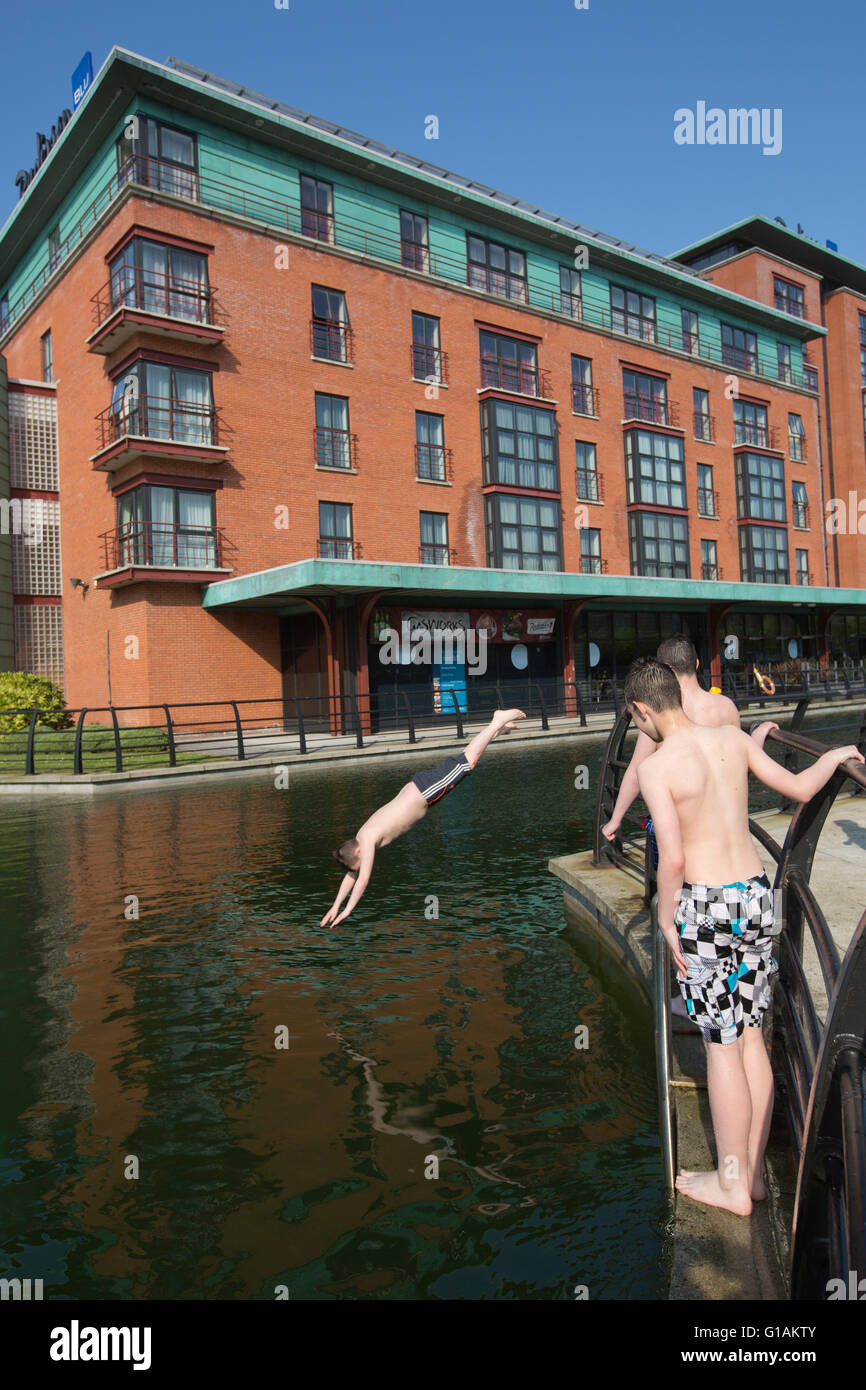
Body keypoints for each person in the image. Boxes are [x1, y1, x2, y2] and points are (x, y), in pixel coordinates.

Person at [625, 657, 863, 1216]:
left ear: (642, 709)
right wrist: (833, 754)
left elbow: (675, 856)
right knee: (752, 1034)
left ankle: (732, 1186)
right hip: (759, 896)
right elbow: (802, 788)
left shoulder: (658, 769)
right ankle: (751, 1177)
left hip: (708, 907)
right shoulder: (731, 737)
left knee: (721, 1045)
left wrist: (665, 915)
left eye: (634, 720)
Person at [321, 708, 526, 929]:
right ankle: (496, 730)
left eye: (360, 863)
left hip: (425, 791)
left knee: (468, 762)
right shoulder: (360, 838)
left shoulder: (367, 840)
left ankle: (496, 721)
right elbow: (352, 875)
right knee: (463, 762)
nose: (361, 867)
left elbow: (362, 880)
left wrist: (348, 910)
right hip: (423, 792)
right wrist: (335, 906)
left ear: (358, 853)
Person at [602, 634, 776, 845]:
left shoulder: (662, 713)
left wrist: (616, 818)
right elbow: (742, 760)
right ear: (696, 664)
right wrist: (757, 735)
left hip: (679, 824)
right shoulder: (725, 706)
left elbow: (636, 772)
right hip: (722, 821)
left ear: (663, 668)